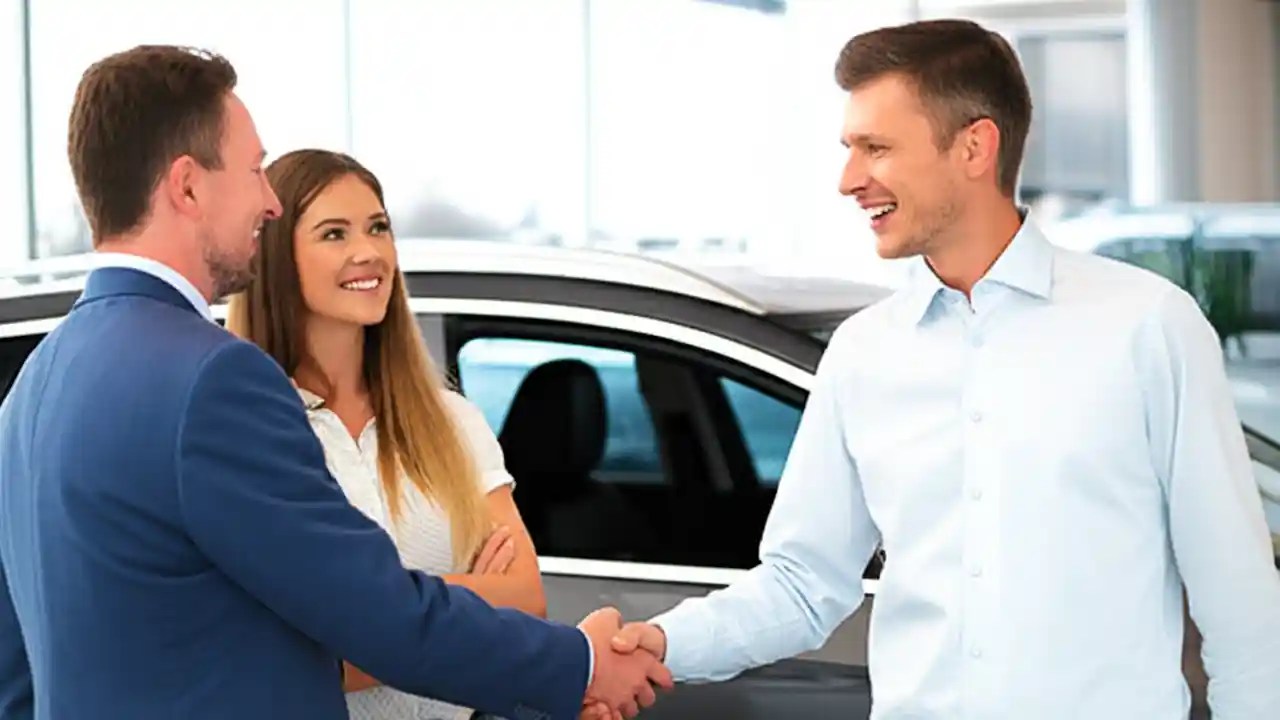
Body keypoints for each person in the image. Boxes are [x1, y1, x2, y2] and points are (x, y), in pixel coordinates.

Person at [605, 18, 1280, 719]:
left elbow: (1238, 601)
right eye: (848, 149)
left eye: (876, 148)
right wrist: (658, 642)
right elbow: (804, 584)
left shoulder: (1148, 328)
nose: (848, 180)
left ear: (974, 147)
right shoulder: (865, 352)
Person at [0, 45, 668, 720]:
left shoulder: (32, 387)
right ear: (188, 186)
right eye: (255, 170)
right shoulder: (215, 379)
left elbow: (16, 663)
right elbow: (370, 609)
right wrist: (575, 664)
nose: (268, 201)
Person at [225, 148, 550, 720]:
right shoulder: (250, 431)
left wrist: (361, 622)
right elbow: (279, 655)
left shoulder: (451, 422)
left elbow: (526, 603)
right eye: (334, 234)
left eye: (378, 227)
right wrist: (467, 597)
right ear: (277, 258)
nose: (368, 251)